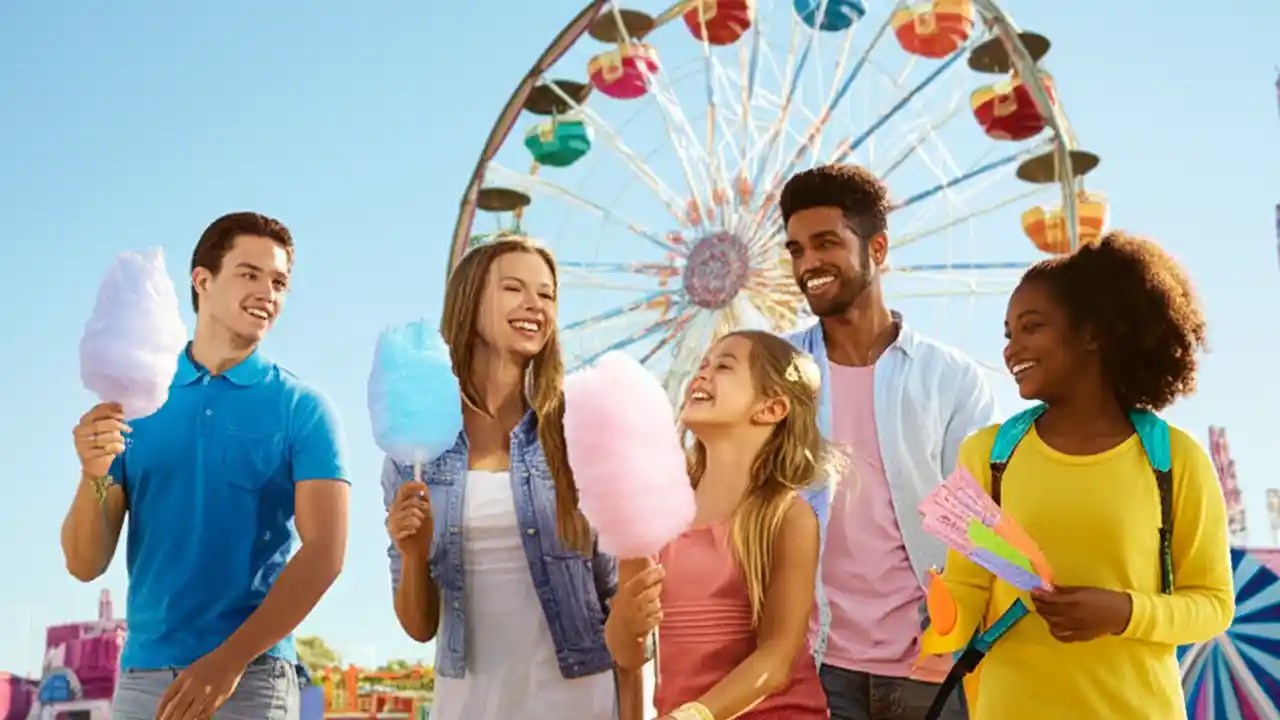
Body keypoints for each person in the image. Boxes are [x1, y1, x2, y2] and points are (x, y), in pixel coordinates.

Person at [919, 231, 1234, 719]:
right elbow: (966, 595)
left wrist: (1123, 612)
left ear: (1093, 333)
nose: (1011, 349)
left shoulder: (1175, 461)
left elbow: (1213, 606)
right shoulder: (988, 455)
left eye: (1032, 327)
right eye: (1008, 334)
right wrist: (942, 615)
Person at [63, 212, 349, 720]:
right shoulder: (134, 402)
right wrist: (94, 473)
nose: (268, 292)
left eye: (279, 281)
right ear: (202, 281)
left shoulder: (303, 408)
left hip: (254, 676)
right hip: (144, 678)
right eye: (249, 274)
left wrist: (229, 660)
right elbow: (85, 563)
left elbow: (326, 554)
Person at [382, 236, 643, 720]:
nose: (534, 306)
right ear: (470, 300)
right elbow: (419, 628)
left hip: (579, 699)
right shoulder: (415, 450)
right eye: (514, 289)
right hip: (471, 703)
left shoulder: (577, 431)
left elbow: (619, 602)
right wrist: (413, 556)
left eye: (546, 295)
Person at [779, 163, 999, 719]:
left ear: (877, 248)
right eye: (796, 250)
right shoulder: (774, 369)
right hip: (814, 661)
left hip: (930, 663)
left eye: (825, 243)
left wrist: (958, 638)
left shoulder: (951, 378)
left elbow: (978, 522)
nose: (808, 264)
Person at [607, 330, 829, 720]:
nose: (702, 375)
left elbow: (776, 660)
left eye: (724, 366)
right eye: (702, 365)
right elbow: (628, 657)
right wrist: (624, 624)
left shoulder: (789, 519)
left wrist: (693, 715)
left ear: (771, 409)